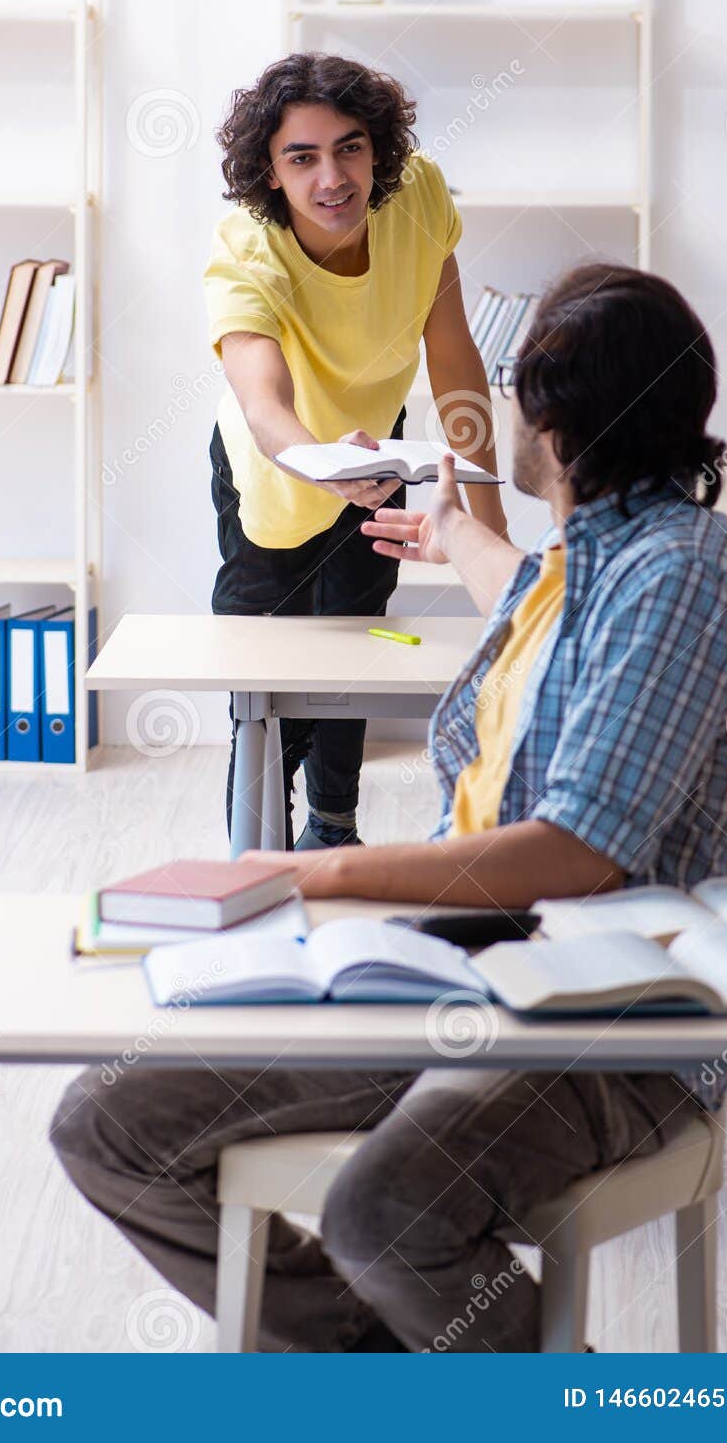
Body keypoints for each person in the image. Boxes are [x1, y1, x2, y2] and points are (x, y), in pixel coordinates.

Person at [52, 262, 727, 1352]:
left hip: (608, 1019)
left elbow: (578, 854)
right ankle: (399, 1384)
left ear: (560, 425)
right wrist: (452, 534)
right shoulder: (600, 548)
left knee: (386, 1211)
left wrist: (319, 870)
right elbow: (538, 601)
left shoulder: (678, 576)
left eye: (519, 383)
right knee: (107, 1125)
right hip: (460, 967)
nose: (503, 405)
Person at [204, 50, 507, 852]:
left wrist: (492, 529)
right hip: (275, 470)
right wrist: (330, 468)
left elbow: (453, 359)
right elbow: (265, 407)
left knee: (357, 650)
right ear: (270, 173)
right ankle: (257, 857)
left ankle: (334, 833)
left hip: (377, 452)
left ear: (378, 149)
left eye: (350, 148)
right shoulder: (245, 250)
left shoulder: (419, 195)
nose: (332, 178)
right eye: (301, 158)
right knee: (267, 681)